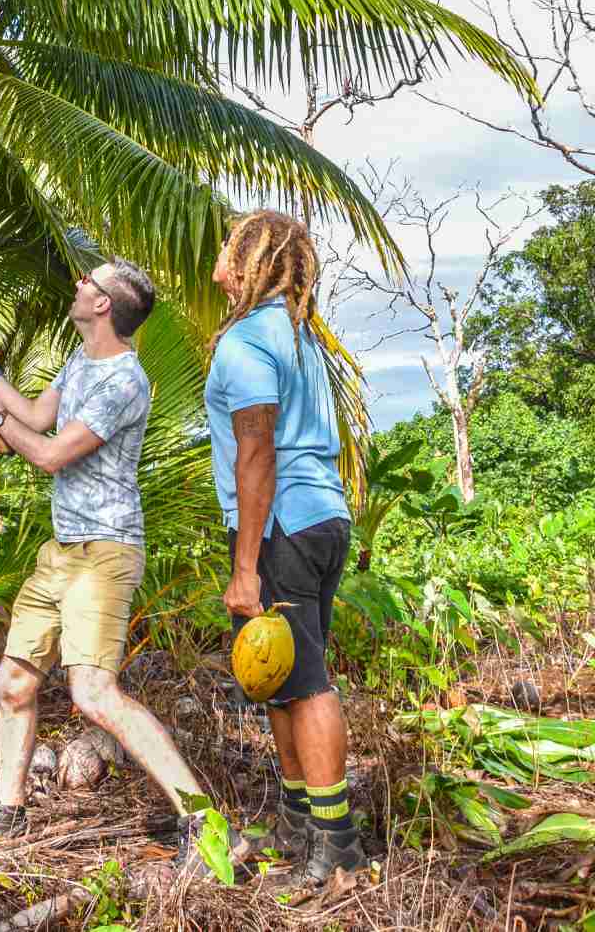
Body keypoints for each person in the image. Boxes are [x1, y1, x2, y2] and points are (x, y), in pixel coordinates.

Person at [0, 258, 213, 867]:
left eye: (88, 282)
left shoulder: (125, 382)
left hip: (106, 552)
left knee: (93, 693)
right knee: (14, 680)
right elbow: (36, 415)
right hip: (62, 550)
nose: (77, 284)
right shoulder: (79, 361)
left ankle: (203, 821)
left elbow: (47, 452)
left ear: (103, 307)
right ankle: (6, 812)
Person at [206, 209, 363, 886]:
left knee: (302, 685)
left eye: (230, 243)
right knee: (277, 681)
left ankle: (339, 848)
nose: (219, 252)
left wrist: (246, 568)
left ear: (250, 258)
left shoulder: (247, 342)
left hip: (284, 528)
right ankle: (302, 820)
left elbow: (256, 453)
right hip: (321, 518)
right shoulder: (296, 335)